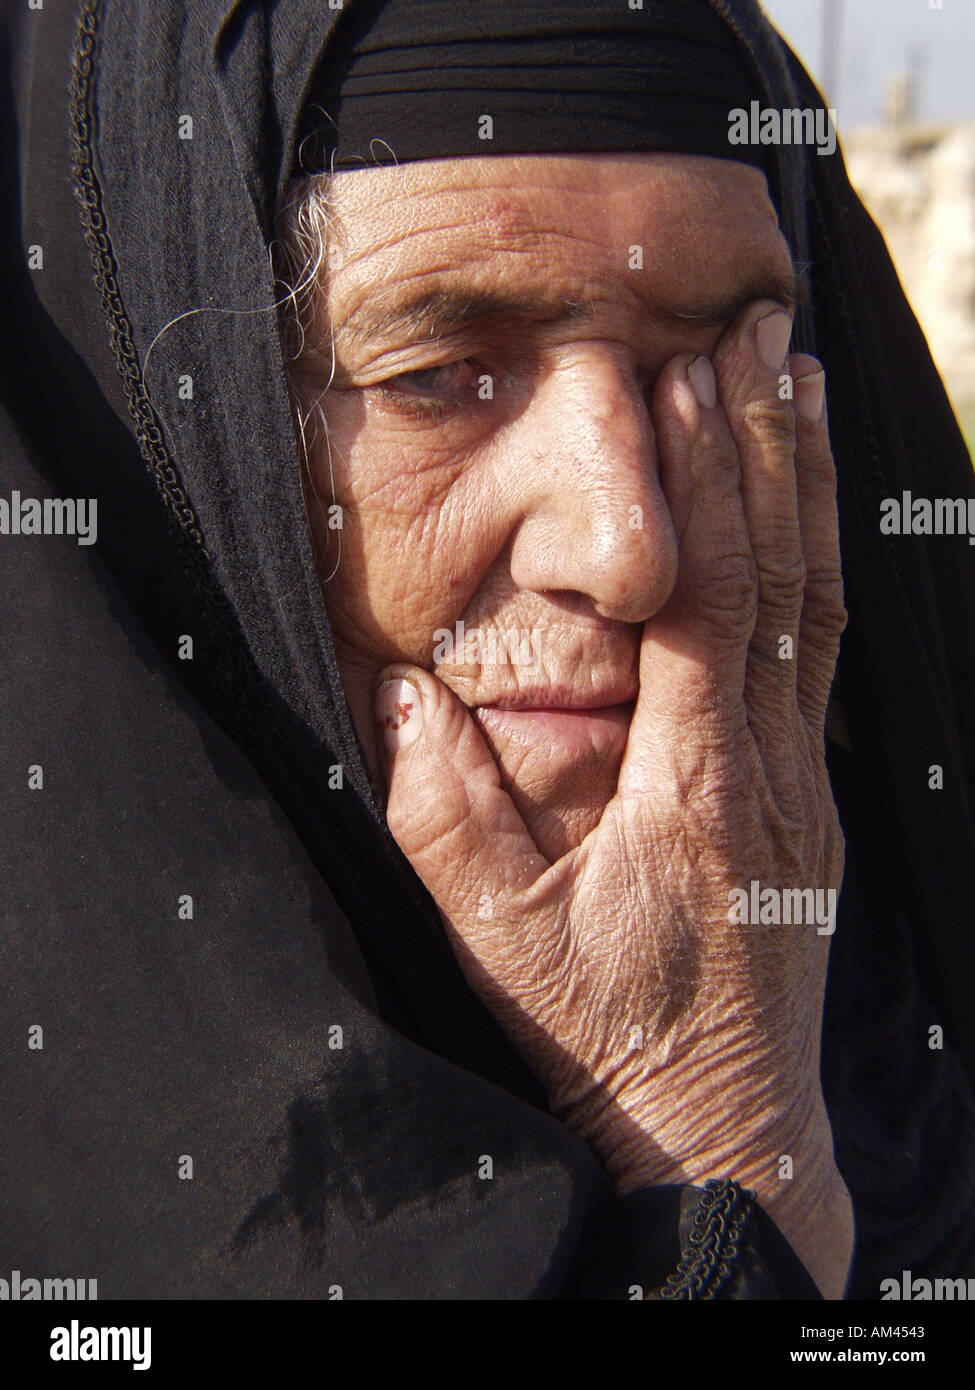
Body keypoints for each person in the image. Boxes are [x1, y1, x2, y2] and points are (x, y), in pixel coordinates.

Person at [1, 0, 974, 1302]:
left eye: (721, 375)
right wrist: (724, 1156)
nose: (631, 547)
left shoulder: (899, 1054)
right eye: (444, 376)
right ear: (186, 449)